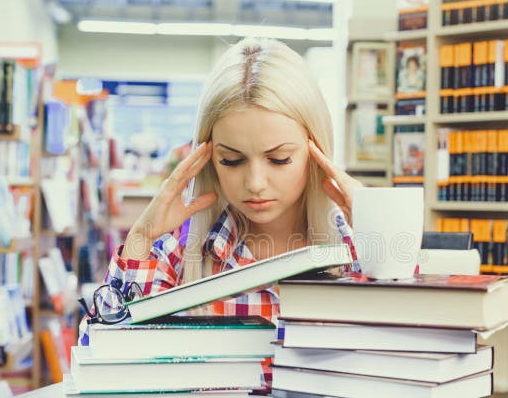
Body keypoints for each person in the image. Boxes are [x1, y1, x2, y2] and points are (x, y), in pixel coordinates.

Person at [80, 37, 363, 339]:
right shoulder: (180, 255)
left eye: (279, 159)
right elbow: (100, 352)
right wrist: (141, 238)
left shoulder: (360, 249)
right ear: (208, 158)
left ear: (315, 151)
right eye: (231, 160)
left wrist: (379, 225)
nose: (255, 183)